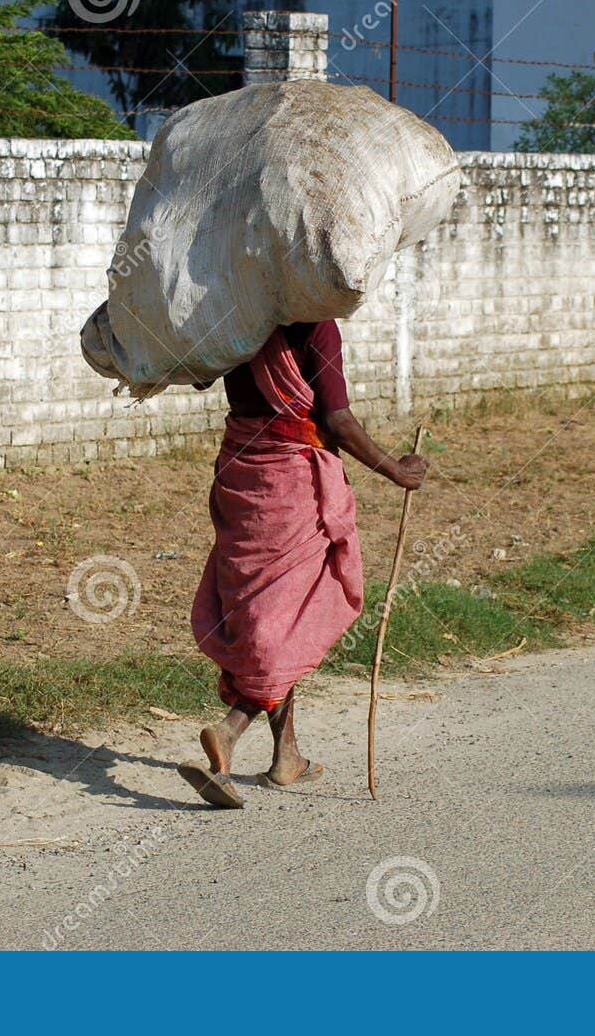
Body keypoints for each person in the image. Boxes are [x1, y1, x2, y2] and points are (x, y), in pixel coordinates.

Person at [177, 320, 427, 809]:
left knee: (270, 617)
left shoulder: (238, 314)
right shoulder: (316, 328)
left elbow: (201, 373)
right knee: (289, 620)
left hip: (241, 475)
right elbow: (337, 420)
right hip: (292, 485)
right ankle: (230, 730)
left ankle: (286, 756)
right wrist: (397, 471)